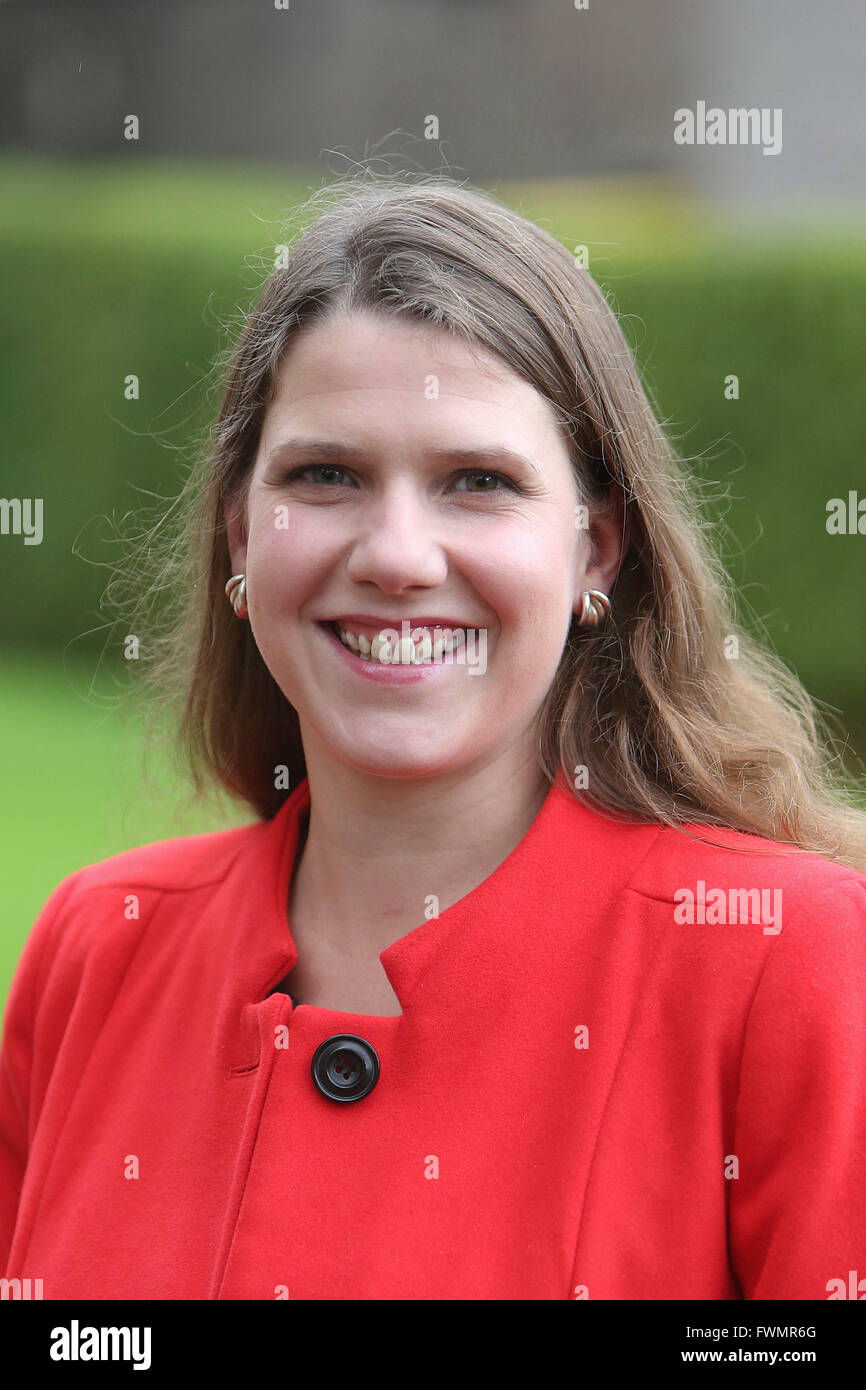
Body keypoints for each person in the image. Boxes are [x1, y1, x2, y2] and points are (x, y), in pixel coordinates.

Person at [2, 176, 865, 1301]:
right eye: (325, 475)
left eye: (476, 481)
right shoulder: (97, 951)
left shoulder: (786, 962)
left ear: (594, 551)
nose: (397, 554)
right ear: (239, 534)